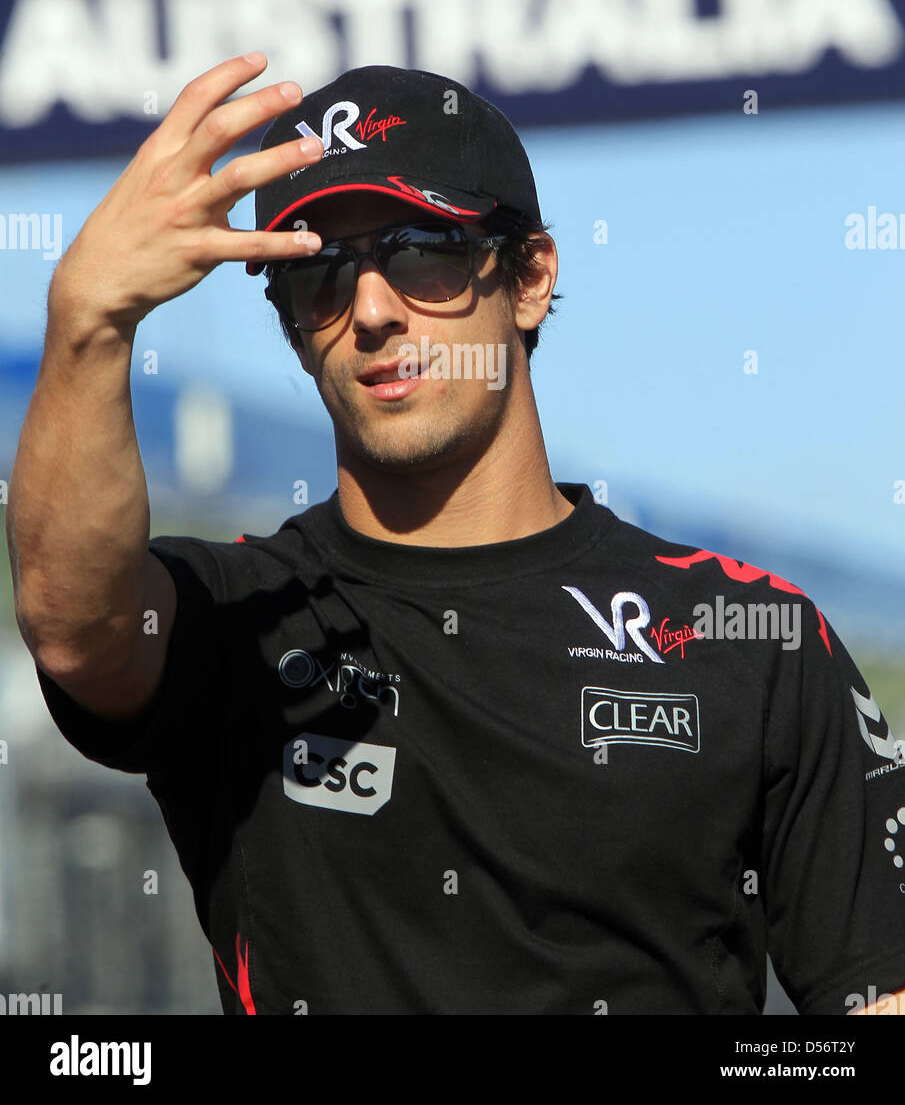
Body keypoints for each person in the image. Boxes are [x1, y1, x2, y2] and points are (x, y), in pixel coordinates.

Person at [7, 53, 905, 1016]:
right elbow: (72, 625)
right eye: (319, 273)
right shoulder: (242, 621)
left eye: (420, 249)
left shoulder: (749, 634)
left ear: (527, 277)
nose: (373, 311)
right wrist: (87, 323)